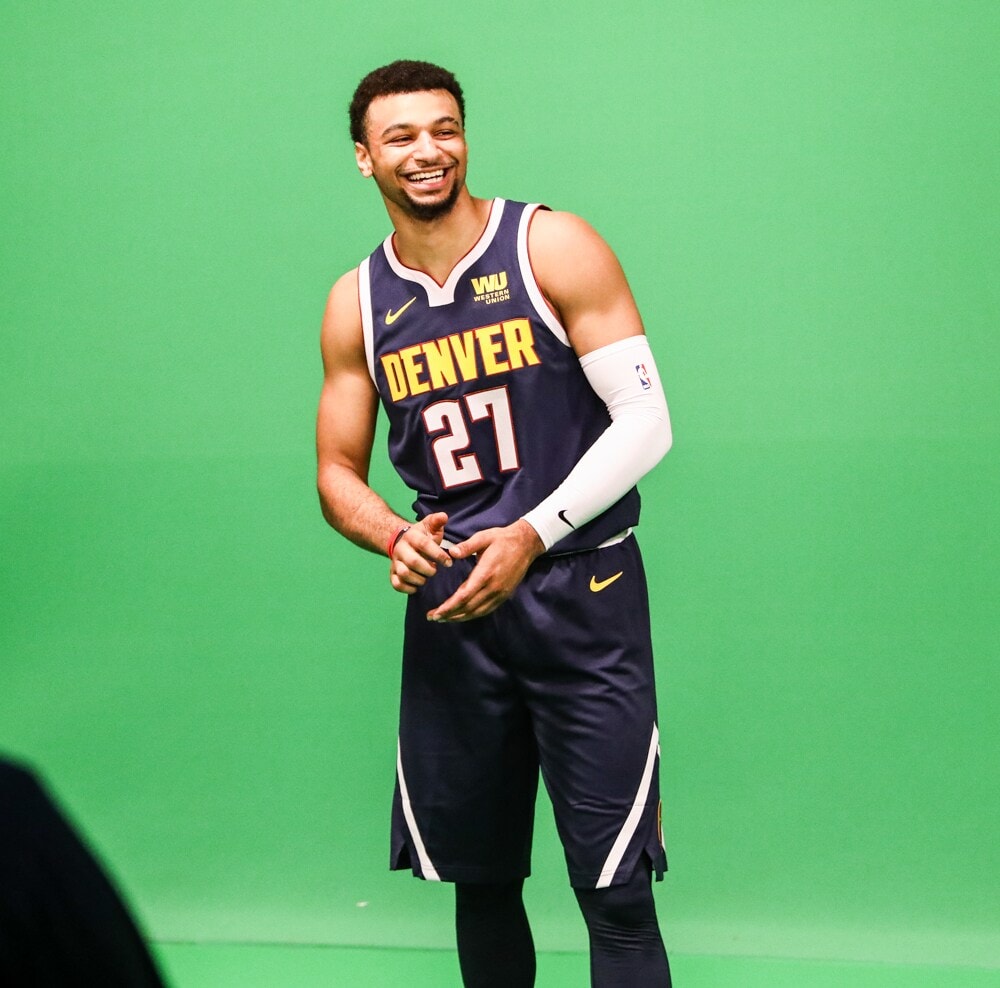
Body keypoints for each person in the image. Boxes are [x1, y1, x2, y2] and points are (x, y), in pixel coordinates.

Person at [316, 60, 673, 986]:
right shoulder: (356, 303)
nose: (428, 150)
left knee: (616, 889)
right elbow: (335, 475)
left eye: (445, 128)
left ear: (465, 136)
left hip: (578, 589)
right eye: (400, 136)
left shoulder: (551, 246)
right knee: (481, 882)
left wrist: (532, 533)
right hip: (458, 609)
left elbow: (647, 422)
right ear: (364, 159)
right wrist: (395, 535)